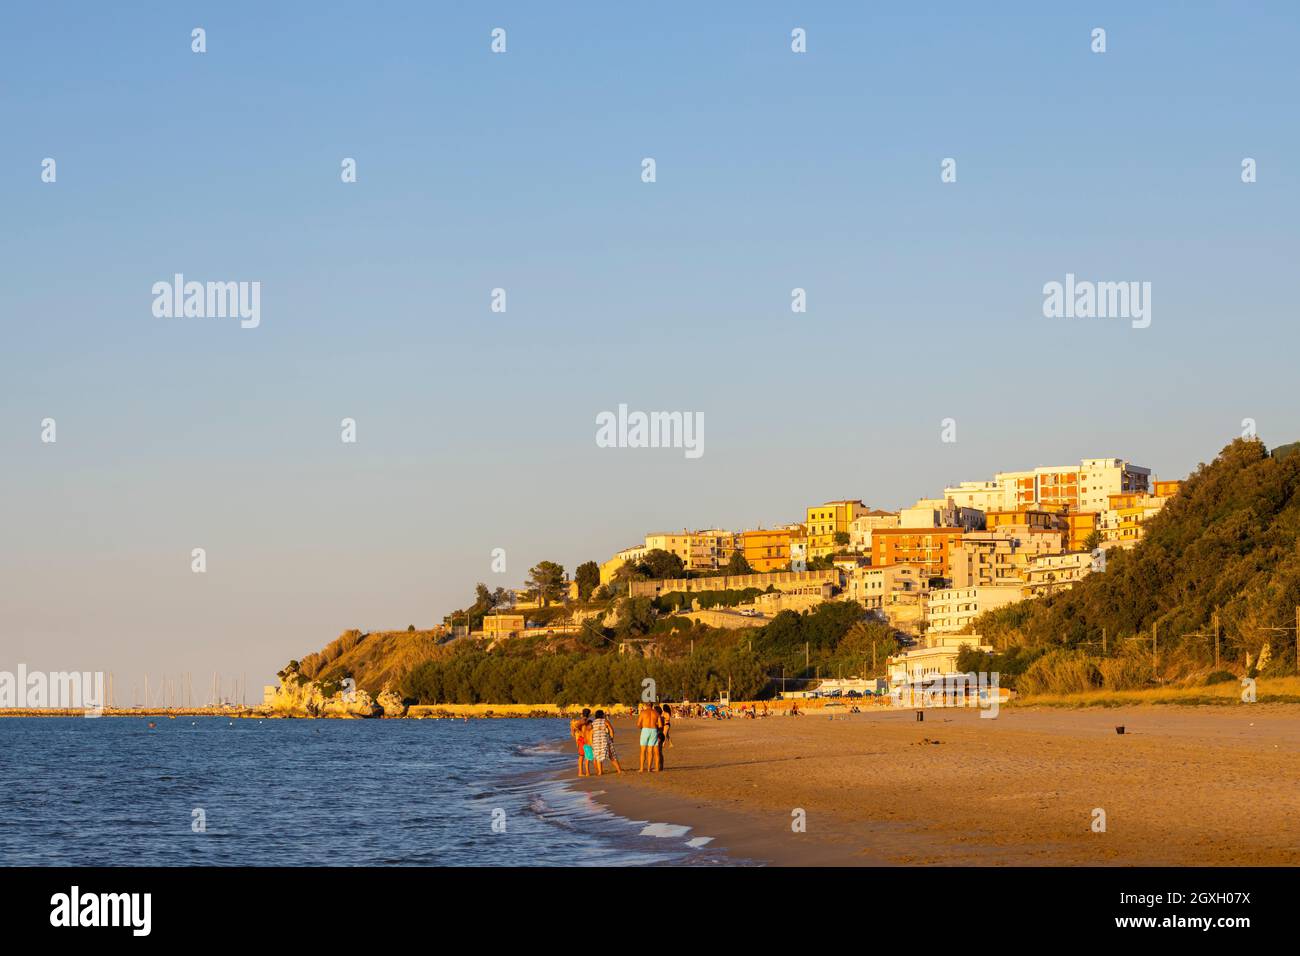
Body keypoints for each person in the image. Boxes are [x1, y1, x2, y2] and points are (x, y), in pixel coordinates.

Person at [589, 709, 623, 775]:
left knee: (598, 757)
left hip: (596, 741)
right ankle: (619, 770)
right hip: (604, 740)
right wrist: (612, 738)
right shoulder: (605, 721)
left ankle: (600, 772)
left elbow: (591, 733)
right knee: (611, 755)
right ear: (602, 715)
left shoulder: (593, 723)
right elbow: (611, 730)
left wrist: (591, 744)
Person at [637, 702, 659, 772]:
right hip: (654, 730)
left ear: (646, 705)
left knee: (643, 751)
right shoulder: (656, 713)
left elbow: (638, 724)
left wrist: (642, 728)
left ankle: (641, 768)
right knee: (650, 751)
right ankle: (649, 768)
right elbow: (660, 725)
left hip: (645, 730)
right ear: (652, 706)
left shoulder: (643, 712)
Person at [570, 708, 591, 777]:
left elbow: (573, 729)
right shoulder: (584, 720)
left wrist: (574, 729)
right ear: (589, 714)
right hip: (582, 739)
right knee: (583, 756)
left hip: (580, 739)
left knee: (582, 756)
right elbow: (576, 726)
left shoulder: (581, 720)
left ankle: (582, 772)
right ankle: (581, 772)